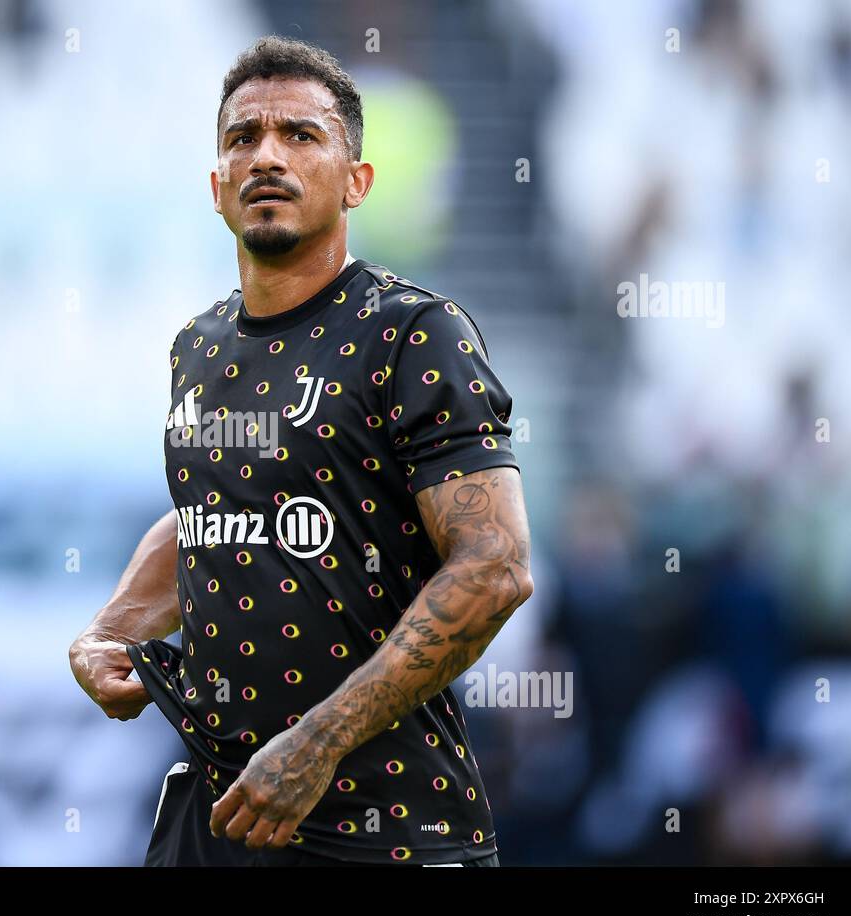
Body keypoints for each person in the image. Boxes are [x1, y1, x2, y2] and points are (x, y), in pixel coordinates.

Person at [69, 36, 533, 866]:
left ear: (357, 182)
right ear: (217, 188)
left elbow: (494, 567)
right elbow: (209, 518)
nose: (267, 156)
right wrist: (108, 630)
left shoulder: (413, 333)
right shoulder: (197, 346)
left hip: (386, 831)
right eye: (243, 137)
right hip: (220, 822)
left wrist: (315, 743)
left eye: (301, 135)